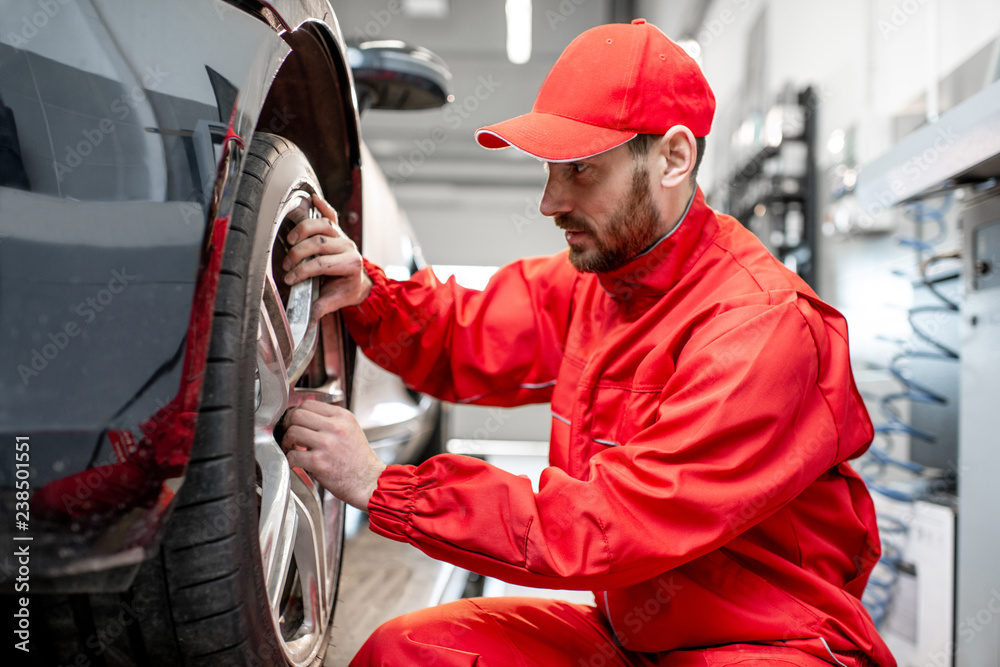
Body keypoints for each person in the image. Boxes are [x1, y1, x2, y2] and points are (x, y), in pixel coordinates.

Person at [279, 19, 895, 667]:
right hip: (634, 636)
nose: (550, 201)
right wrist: (366, 292)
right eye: (549, 171)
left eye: (579, 171)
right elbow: (461, 335)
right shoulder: (601, 284)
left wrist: (384, 484)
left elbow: (610, 520)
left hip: (767, 645)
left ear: (674, 158)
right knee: (407, 652)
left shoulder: (761, 327)